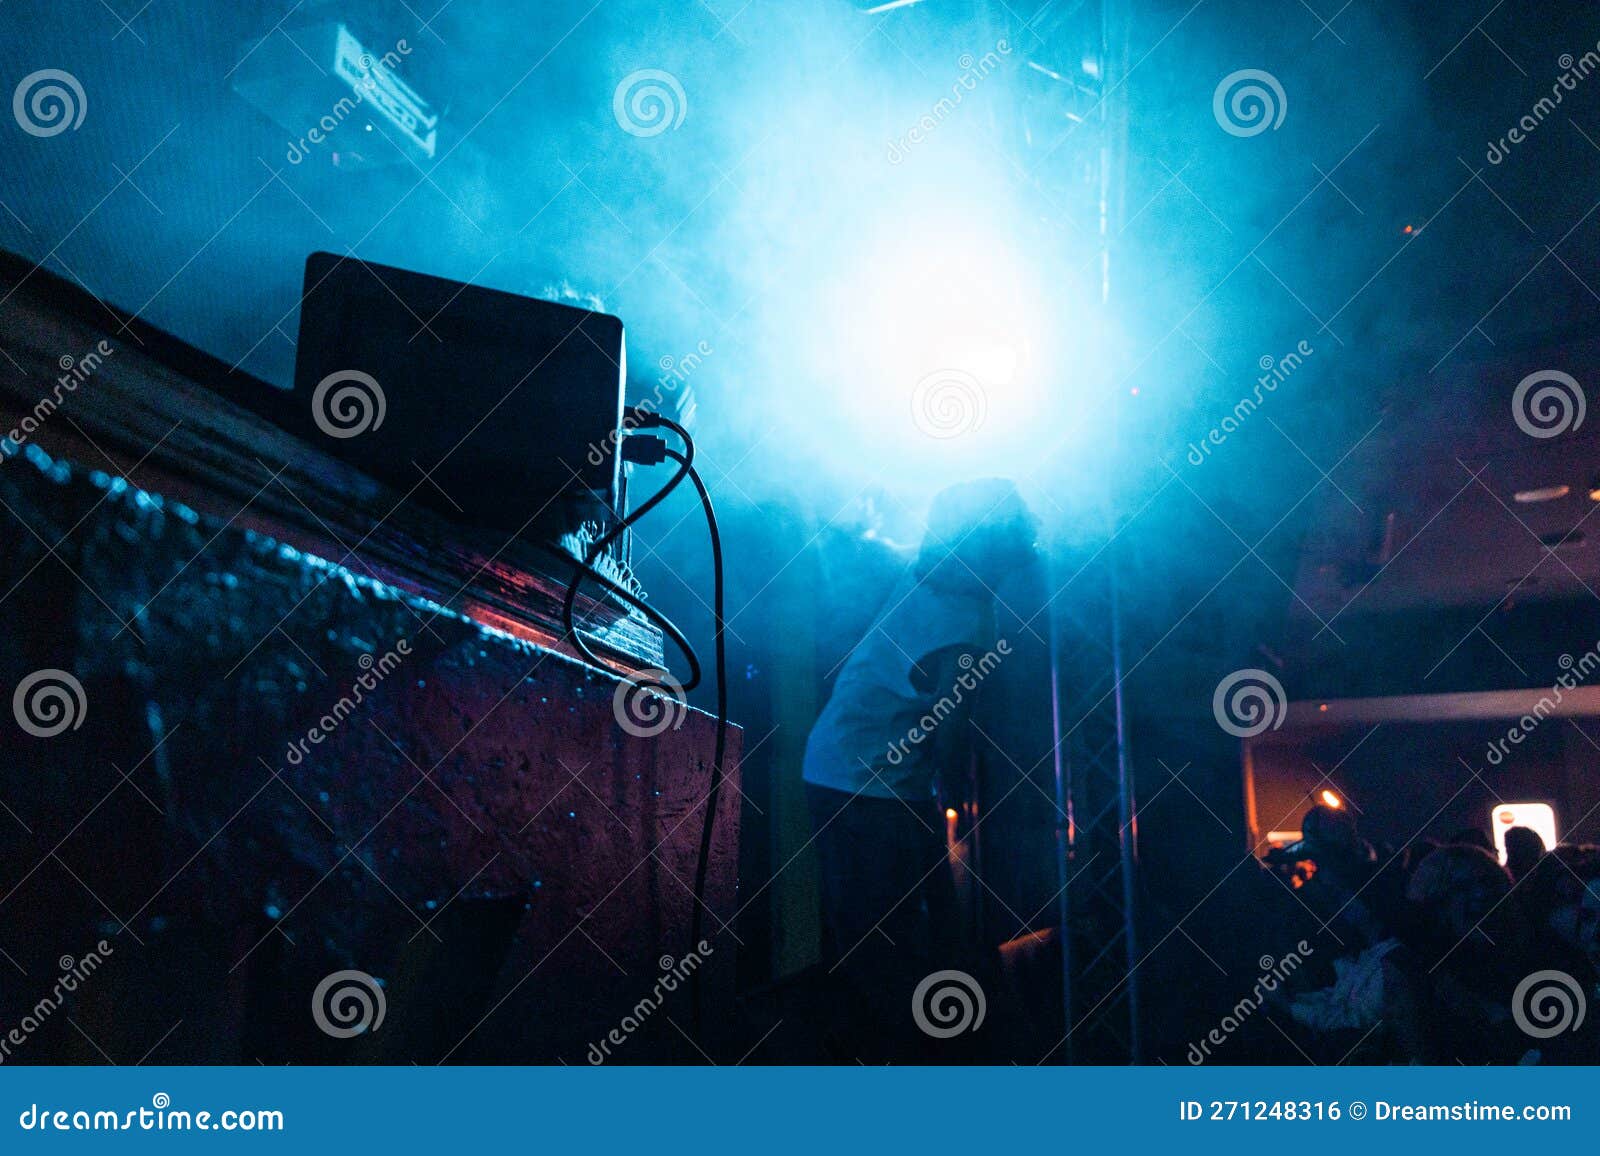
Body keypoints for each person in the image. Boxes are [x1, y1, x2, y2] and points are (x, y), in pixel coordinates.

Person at [801, 477, 1038, 1060]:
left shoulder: (923, 574)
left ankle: (890, 1053)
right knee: (889, 945)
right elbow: (950, 734)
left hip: (848, 771)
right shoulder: (971, 624)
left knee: (880, 937)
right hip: (863, 784)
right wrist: (949, 801)